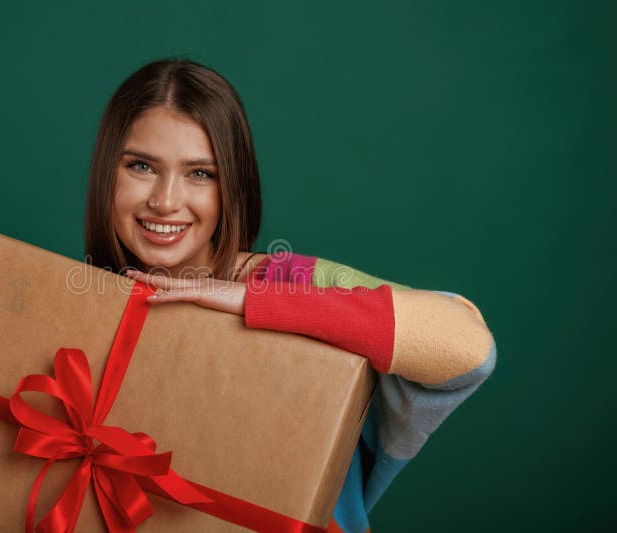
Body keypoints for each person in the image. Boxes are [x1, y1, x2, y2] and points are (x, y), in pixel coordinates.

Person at [84, 58, 496, 533]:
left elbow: (470, 348)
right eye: (141, 166)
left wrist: (252, 302)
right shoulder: (75, 301)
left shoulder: (287, 280)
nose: (166, 200)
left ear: (232, 186)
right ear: (105, 172)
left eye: (200, 174)